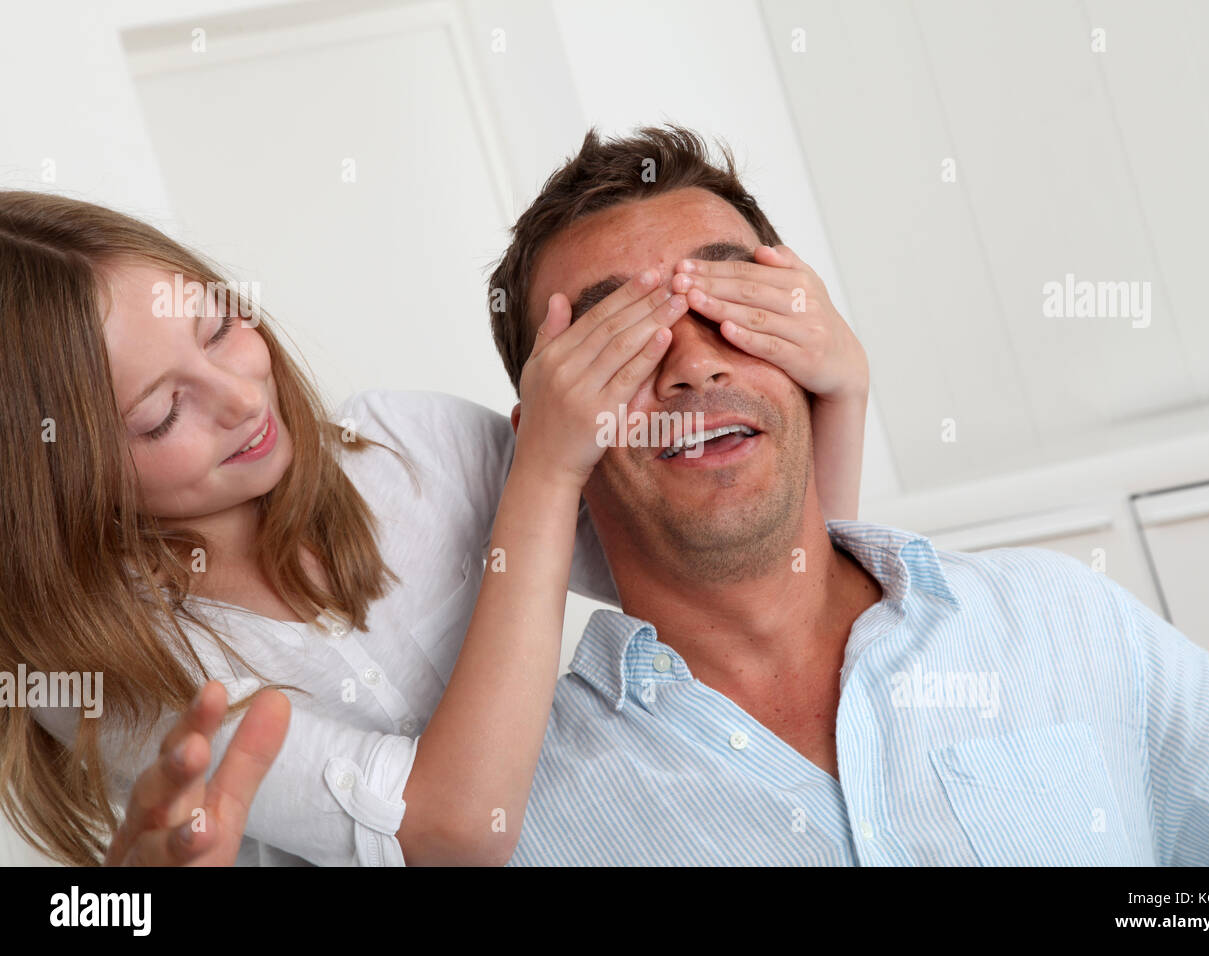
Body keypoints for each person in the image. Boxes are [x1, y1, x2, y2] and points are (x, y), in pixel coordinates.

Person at [110, 124, 1209, 866]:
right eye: (621, 342)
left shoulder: (1060, 625)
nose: (690, 358)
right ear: (551, 443)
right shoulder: (522, 811)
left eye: (734, 307)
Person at [0, 181, 869, 866]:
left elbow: (767, 585)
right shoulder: (110, 673)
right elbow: (452, 834)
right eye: (159, 417)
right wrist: (545, 469)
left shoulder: (409, 445)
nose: (240, 398)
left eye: (223, 327)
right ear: (53, 474)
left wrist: (845, 388)